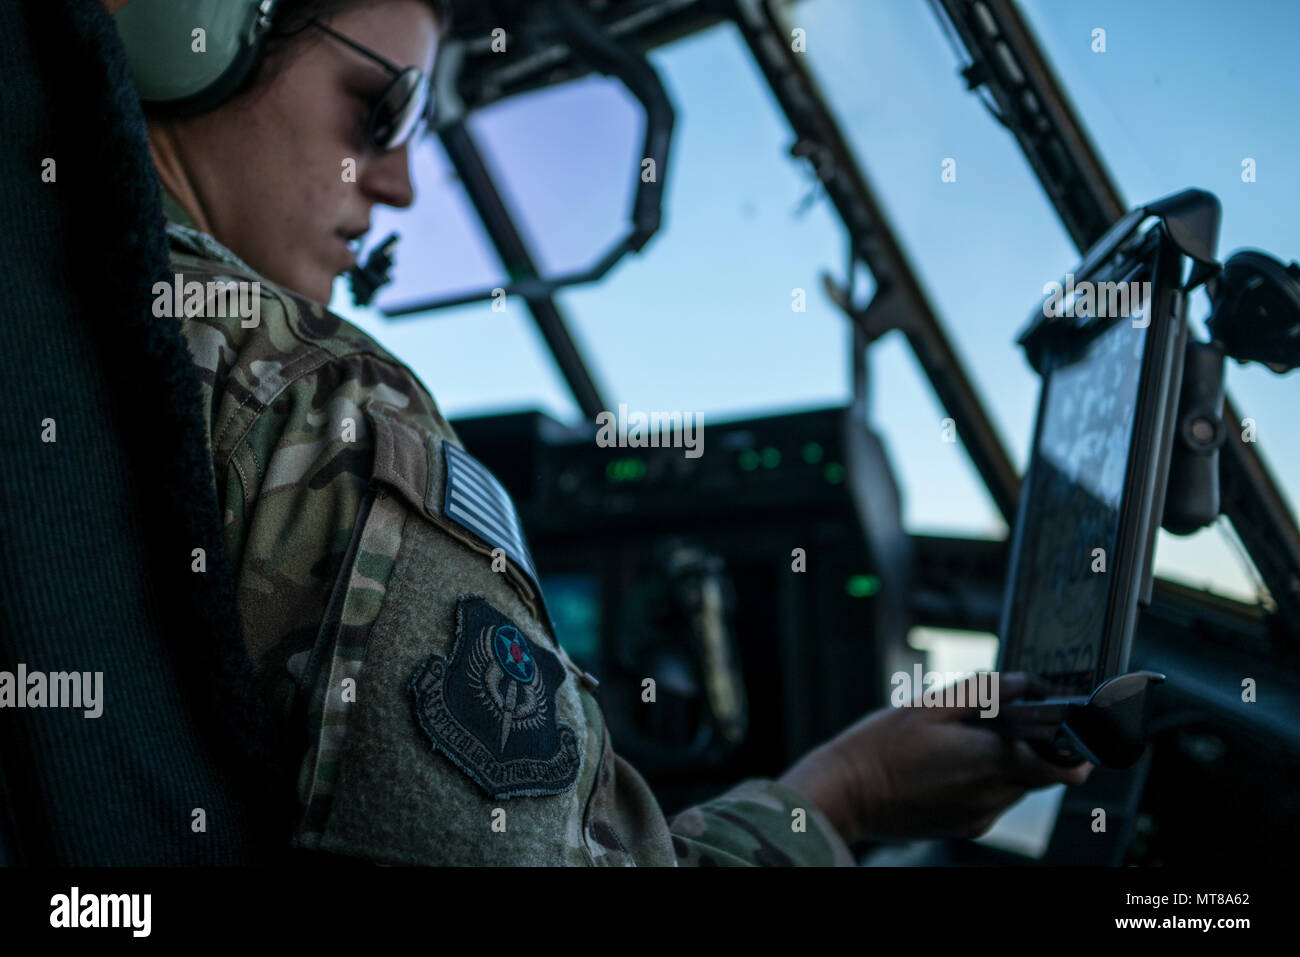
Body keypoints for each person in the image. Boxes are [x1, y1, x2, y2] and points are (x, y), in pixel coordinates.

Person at [136, 0, 1091, 865]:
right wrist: (845, 796)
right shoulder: (320, 400)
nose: (401, 186)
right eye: (380, 108)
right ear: (194, 33)